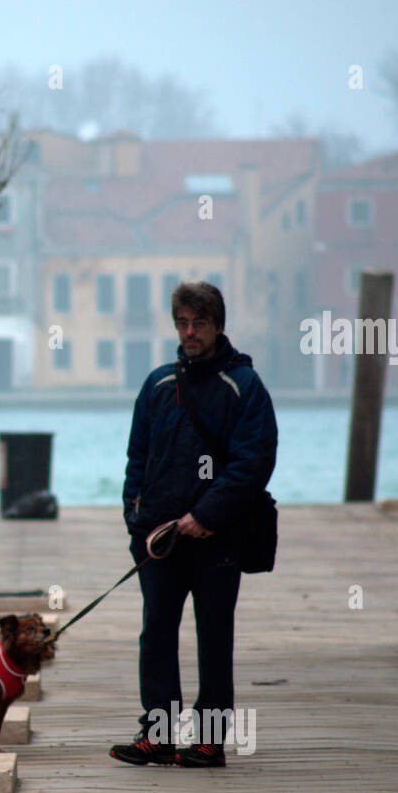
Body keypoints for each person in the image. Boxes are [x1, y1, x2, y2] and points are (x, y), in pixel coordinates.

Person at [112, 282, 276, 767]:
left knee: (213, 636)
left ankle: (208, 742)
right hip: (159, 542)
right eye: (182, 322)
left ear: (218, 325)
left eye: (199, 323)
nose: (189, 332)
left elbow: (253, 462)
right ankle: (158, 736)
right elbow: (136, 458)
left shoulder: (245, 387)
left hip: (217, 539)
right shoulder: (158, 384)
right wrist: (135, 519)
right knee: (156, 634)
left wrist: (206, 516)